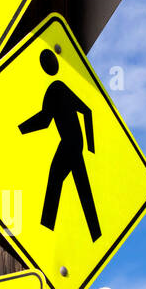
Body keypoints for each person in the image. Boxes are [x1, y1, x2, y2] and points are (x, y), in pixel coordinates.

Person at [18, 49, 101, 242]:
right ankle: (95, 233)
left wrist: (91, 147)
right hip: (74, 143)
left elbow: (86, 111)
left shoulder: (57, 89)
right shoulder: (55, 89)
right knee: (82, 188)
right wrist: (21, 128)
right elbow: (45, 120)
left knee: (56, 179)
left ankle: (46, 229)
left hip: (71, 143)